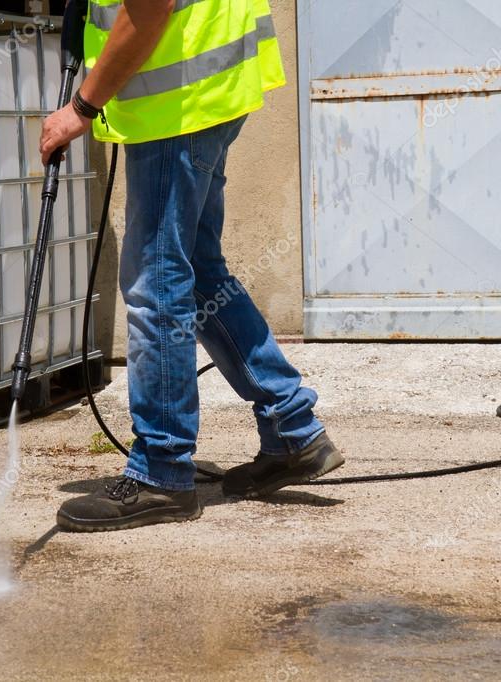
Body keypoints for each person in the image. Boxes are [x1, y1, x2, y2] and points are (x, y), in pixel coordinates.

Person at [40, 0, 343, 532]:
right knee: (199, 271)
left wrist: (82, 109)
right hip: (206, 93)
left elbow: (148, 9)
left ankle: (162, 472)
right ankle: (292, 430)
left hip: (178, 106)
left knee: (156, 283)